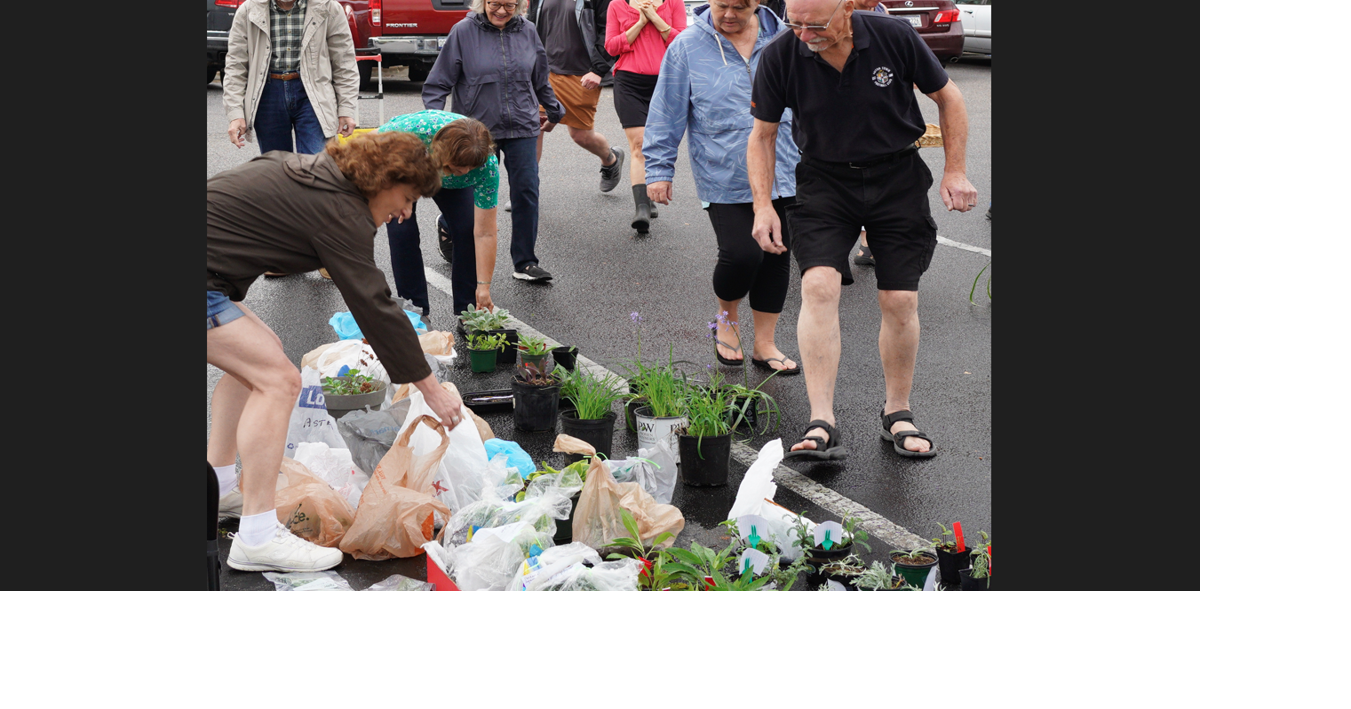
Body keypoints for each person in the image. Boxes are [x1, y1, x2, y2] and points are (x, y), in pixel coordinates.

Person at [207, 131, 467, 572]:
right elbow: (375, 306)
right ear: (383, 180)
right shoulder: (341, 211)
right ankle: (256, 536)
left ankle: (216, 487)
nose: (405, 212)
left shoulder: (320, 175)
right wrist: (432, 390)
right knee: (279, 381)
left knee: (260, 357)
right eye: (406, 197)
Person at [748, 0, 979, 461]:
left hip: (897, 177)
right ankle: (821, 421)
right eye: (794, 23)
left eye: (815, 24)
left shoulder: (892, 36)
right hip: (824, 181)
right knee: (817, 286)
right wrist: (761, 206)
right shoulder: (780, 55)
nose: (802, 34)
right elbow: (763, 135)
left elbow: (950, 97)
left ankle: (898, 412)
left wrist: (955, 170)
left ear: (848, 7)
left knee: (900, 299)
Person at [644, 0, 800, 375]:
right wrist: (659, 169)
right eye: (722, 5)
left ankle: (765, 343)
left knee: (777, 255)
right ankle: (726, 318)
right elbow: (666, 109)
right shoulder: (686, 46)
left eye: (740, 6)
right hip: (723, 170)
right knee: (742, 253)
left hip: (786, 166)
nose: (729, 14)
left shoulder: (786, 38)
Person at [423, 0, 567, 284]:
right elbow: (438, 83)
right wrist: (436, 125)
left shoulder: (529, 32)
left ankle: (525, 261)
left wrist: (554, 109)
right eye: (494, 4)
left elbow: (539, 79)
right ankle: (449, 224)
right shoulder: (462, 32)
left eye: (509, 5)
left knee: (526, 190)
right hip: (477, 131)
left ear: (520, 4)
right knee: (466, 192)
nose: (501, 11)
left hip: (523, 126)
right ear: (482, 2)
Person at [223, 0, 360, 280]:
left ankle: (324, 254)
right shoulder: (249, 10)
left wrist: (346, 107)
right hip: (267, 94)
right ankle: (285, 256)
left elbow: (344, 60)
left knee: (320, 175)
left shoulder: (327, 7)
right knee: (278, 180)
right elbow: (236, 64)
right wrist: (236, 113)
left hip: (313, 93)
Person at [376, 111, 502, 321]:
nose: (464, 172)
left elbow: (486, 233)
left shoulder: (487, 167)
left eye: (470, 169)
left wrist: (484, 287)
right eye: (457, 168)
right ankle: (415, 311)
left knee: (467, 228)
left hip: (453, 187)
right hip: (407, 171)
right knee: (402, 230)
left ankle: (469, 309)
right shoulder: (411, 131)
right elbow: (368, 154)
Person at [529, 0, 627, 194]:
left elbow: (609, 30)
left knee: (581, 136)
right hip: (544, 71)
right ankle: (526, 188)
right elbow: (530, 25)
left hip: (583, 73)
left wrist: (598, 70)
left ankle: (611, 159)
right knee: (534, 127)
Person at [605, 0, 686, 233]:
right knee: (639, 145)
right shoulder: (617, 5)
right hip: (629, 82)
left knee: (659, 144)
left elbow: (682, 43)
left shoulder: (674, 3)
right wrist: (640, 23)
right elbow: (611, 47)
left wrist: (656, 18)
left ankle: (650, 191)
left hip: (665, 83)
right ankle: (641, 208)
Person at [849, 0, 891, 268]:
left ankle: (868, 242)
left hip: (874, 113)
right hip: (840, 110)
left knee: (874, 180)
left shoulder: (882, 12)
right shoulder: (832, 10)